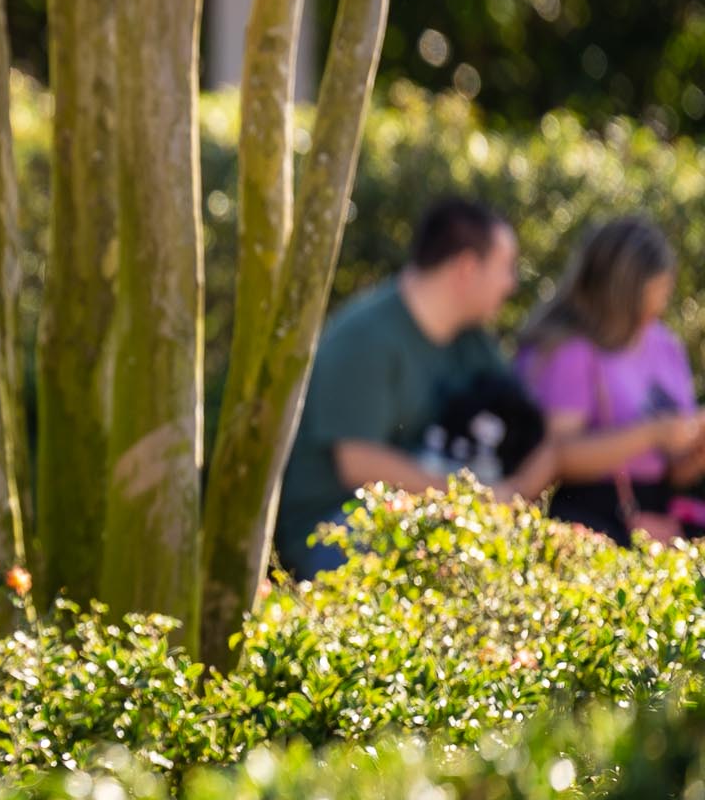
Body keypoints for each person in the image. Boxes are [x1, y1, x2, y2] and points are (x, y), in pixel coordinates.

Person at [274, 197, 560, 574]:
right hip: (332, 527)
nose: (512, 284)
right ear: (466, 267)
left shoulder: (470, 339)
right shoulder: (365, 338)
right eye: (505, 267)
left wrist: (518, 489)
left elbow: (532, 428)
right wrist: (478, 504)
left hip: (434, 515)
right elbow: (358, 464)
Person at [515, 216, 705, 544]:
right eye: (652, 295)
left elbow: (674, 471)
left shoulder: (665, 344)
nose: (659, 307)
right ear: (622, 294)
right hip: (589, 513)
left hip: (656, 508)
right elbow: (552, 459)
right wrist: (652, 434)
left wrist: (693, 452)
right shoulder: (568, 350)